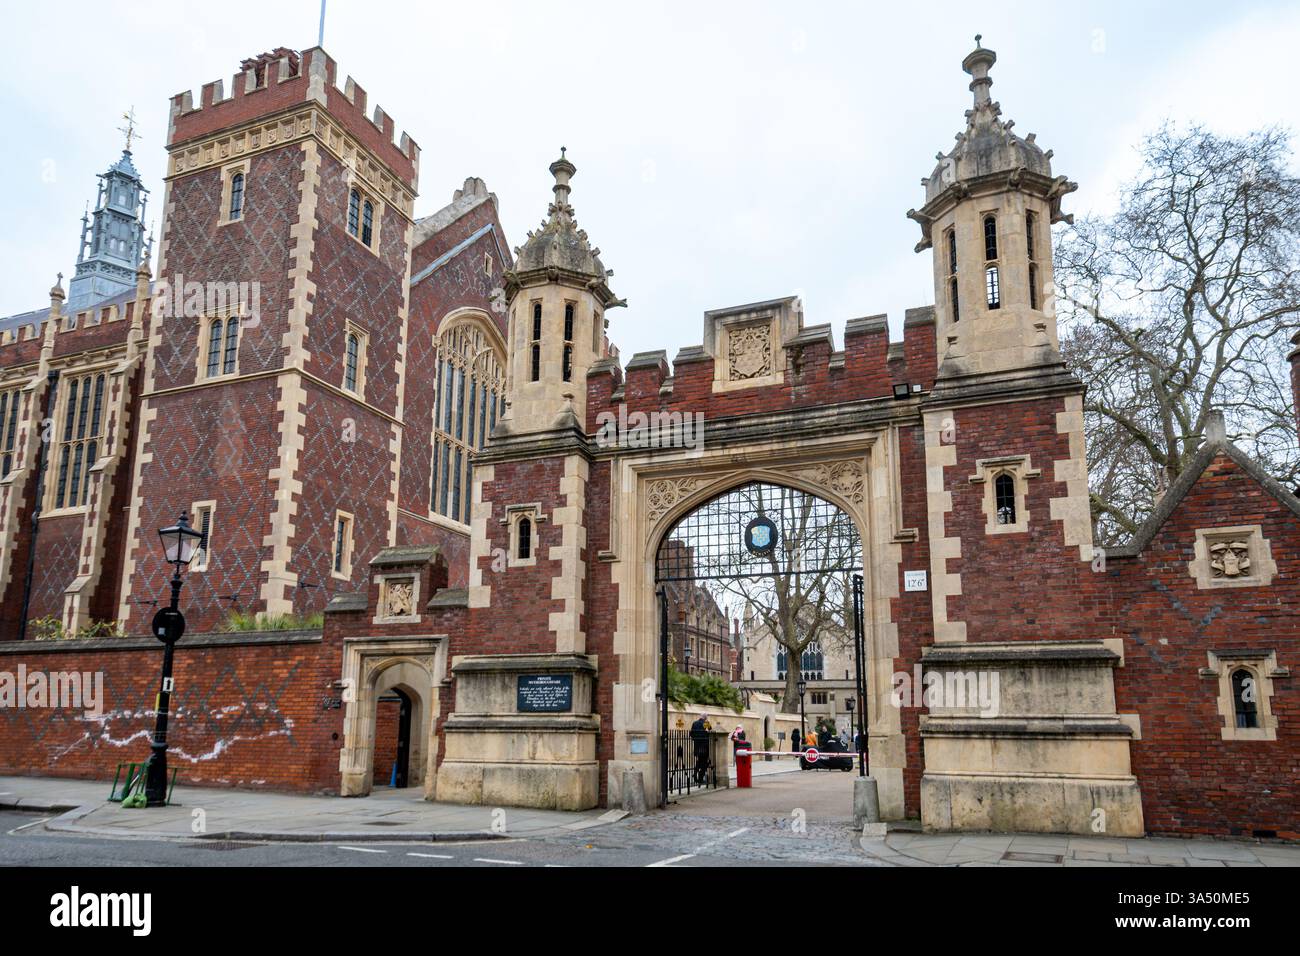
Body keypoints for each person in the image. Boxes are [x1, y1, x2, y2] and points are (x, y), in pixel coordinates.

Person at [689, 713, 711, 785]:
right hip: (704, 747)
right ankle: (700, 779)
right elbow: (710, 733)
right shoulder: (706, 723)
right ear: (705, 718)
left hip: (697, 746)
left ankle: (695, 775)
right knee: (704, 763)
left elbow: (691, 734)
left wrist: (696, 739)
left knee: (699, 761)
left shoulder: (695, 723)